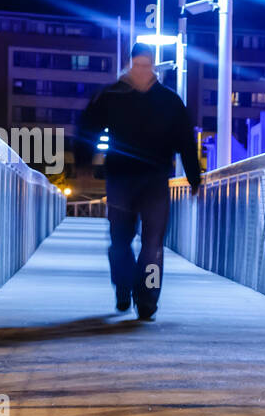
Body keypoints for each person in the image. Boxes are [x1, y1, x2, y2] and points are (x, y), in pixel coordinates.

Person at [75, 44, 201, 321]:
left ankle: (147, 302)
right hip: (121, 177)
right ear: (131, 64)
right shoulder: (110, 96)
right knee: (120, 240)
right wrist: (83, 162)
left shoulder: (169, 100)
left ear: (154, 66)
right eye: (139, 65)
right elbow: (87, 129)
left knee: (153, 244)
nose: (143, 71)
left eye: (147, 66)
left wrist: (193, 177)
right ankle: (123, 287)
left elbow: (185, 141)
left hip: (155, 180)